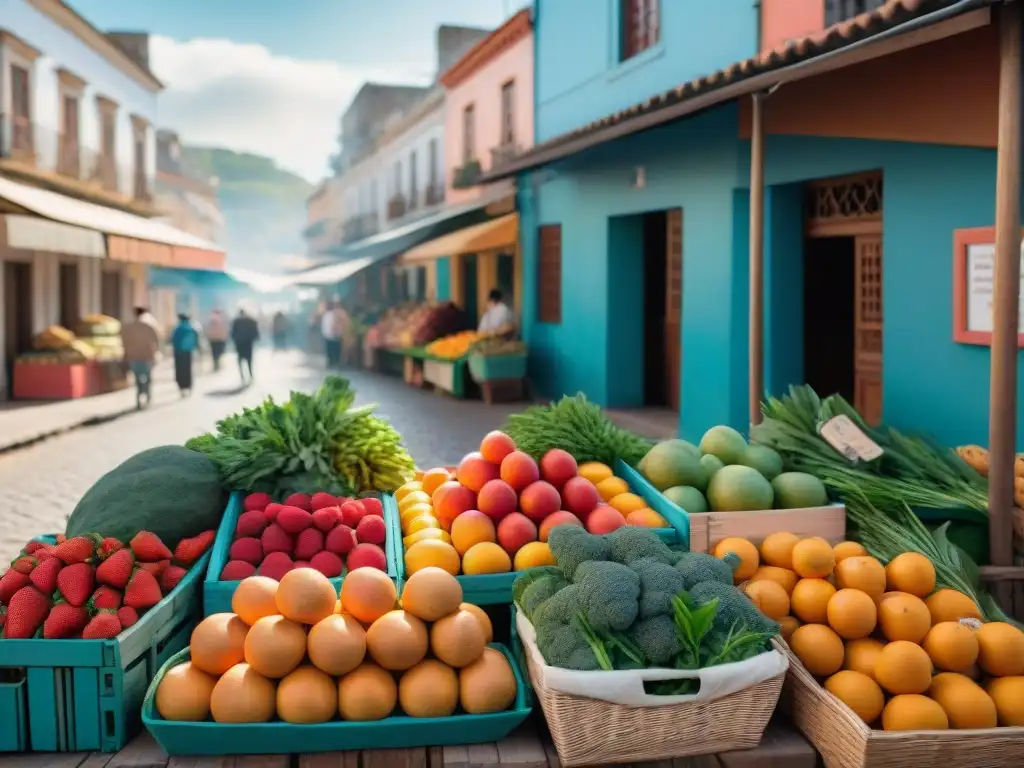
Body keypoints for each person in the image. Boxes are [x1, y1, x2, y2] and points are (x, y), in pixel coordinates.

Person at [121, 306, 161, 409]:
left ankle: (139, 397)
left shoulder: (129, 327)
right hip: (148, 355)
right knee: (147, 377)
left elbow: (124, 342)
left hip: (134, 356)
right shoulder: (151, 325)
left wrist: (126, 353)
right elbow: (157, 340)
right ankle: (147, 396)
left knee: (138, 378)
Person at [170, 313, 200, 397]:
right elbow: (196, 339)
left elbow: (172, 339)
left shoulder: (178, 328)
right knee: (188, 369)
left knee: (180, 370)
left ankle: (181, 387)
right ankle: (189, 386)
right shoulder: (191, 328)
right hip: (188, 352)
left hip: (179, 352)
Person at [231, 308, 260, 383]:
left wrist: (234, 340)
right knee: (249, 359)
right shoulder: (250, 321)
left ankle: (242, 376)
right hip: (248, 342)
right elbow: (255, 330)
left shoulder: (236, 321)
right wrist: (255, 338)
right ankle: (250, 374)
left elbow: (233, 333)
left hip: (239, 343)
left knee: (240, 360)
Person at [321, 300, 342, 368]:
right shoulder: (329, 314)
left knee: (331, 348)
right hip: (331, 334)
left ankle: (332, 361)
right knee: (333, 348)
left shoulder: (330, 314)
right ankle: (333, 361)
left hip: (331, 334)